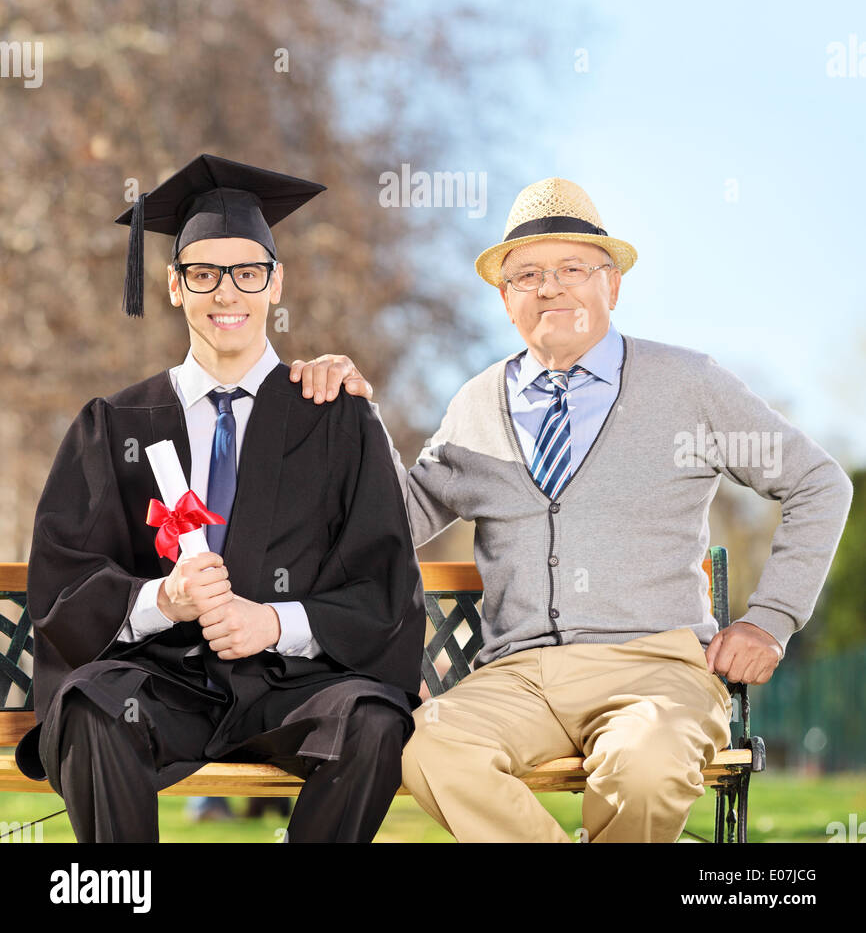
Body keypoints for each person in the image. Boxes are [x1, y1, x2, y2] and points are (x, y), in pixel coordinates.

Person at [290, 175, 854, 843]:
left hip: (659, 670)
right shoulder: (476, 403)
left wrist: (770, 620)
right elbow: (393, 522)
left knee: (644, 767)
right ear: (505, 300)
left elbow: (820, 482)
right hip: (515, 678)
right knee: (429, 750)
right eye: (527, 274)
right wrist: (357, 418)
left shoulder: (688, 384)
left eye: (571, 268)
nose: (550, 287)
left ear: (611, 285)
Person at [15, 153, 425, 844]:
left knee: (373, 722)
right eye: (203, 274)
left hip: (295, 688)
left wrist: (273, 623)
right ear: (175, 286)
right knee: (92, 707)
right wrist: (159, 602)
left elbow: (382, 585)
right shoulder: (115, 423)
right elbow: (63, 582)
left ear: (276, 283)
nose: (226, 294)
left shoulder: (336, 417)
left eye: (247, 273)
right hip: (162, 685)